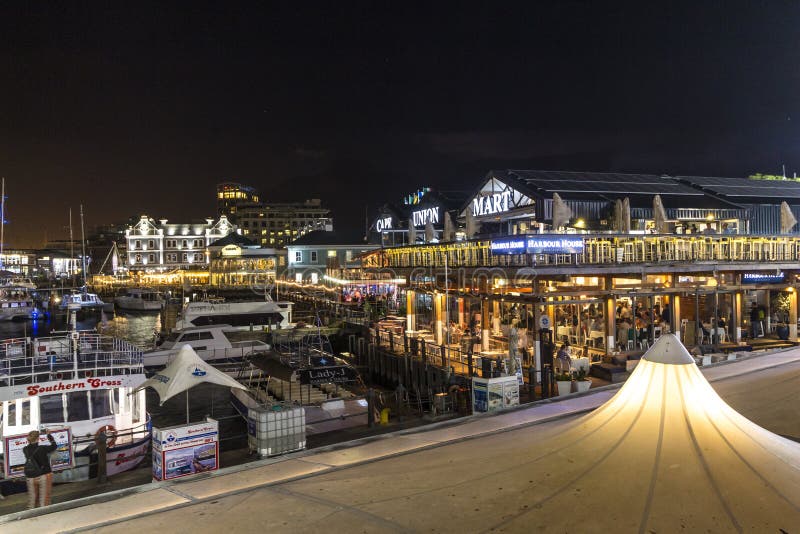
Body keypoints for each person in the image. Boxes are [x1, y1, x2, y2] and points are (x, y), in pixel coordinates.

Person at [23, 430, 58, 509]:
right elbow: (54, 446)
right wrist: (49, 436)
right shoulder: (42, 448)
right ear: (38, 438)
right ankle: (44, 517)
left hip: (30, 477)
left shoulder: (25, 449)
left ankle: (30, 516)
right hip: (44, 475)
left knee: (32, 500)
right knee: (44, 500)